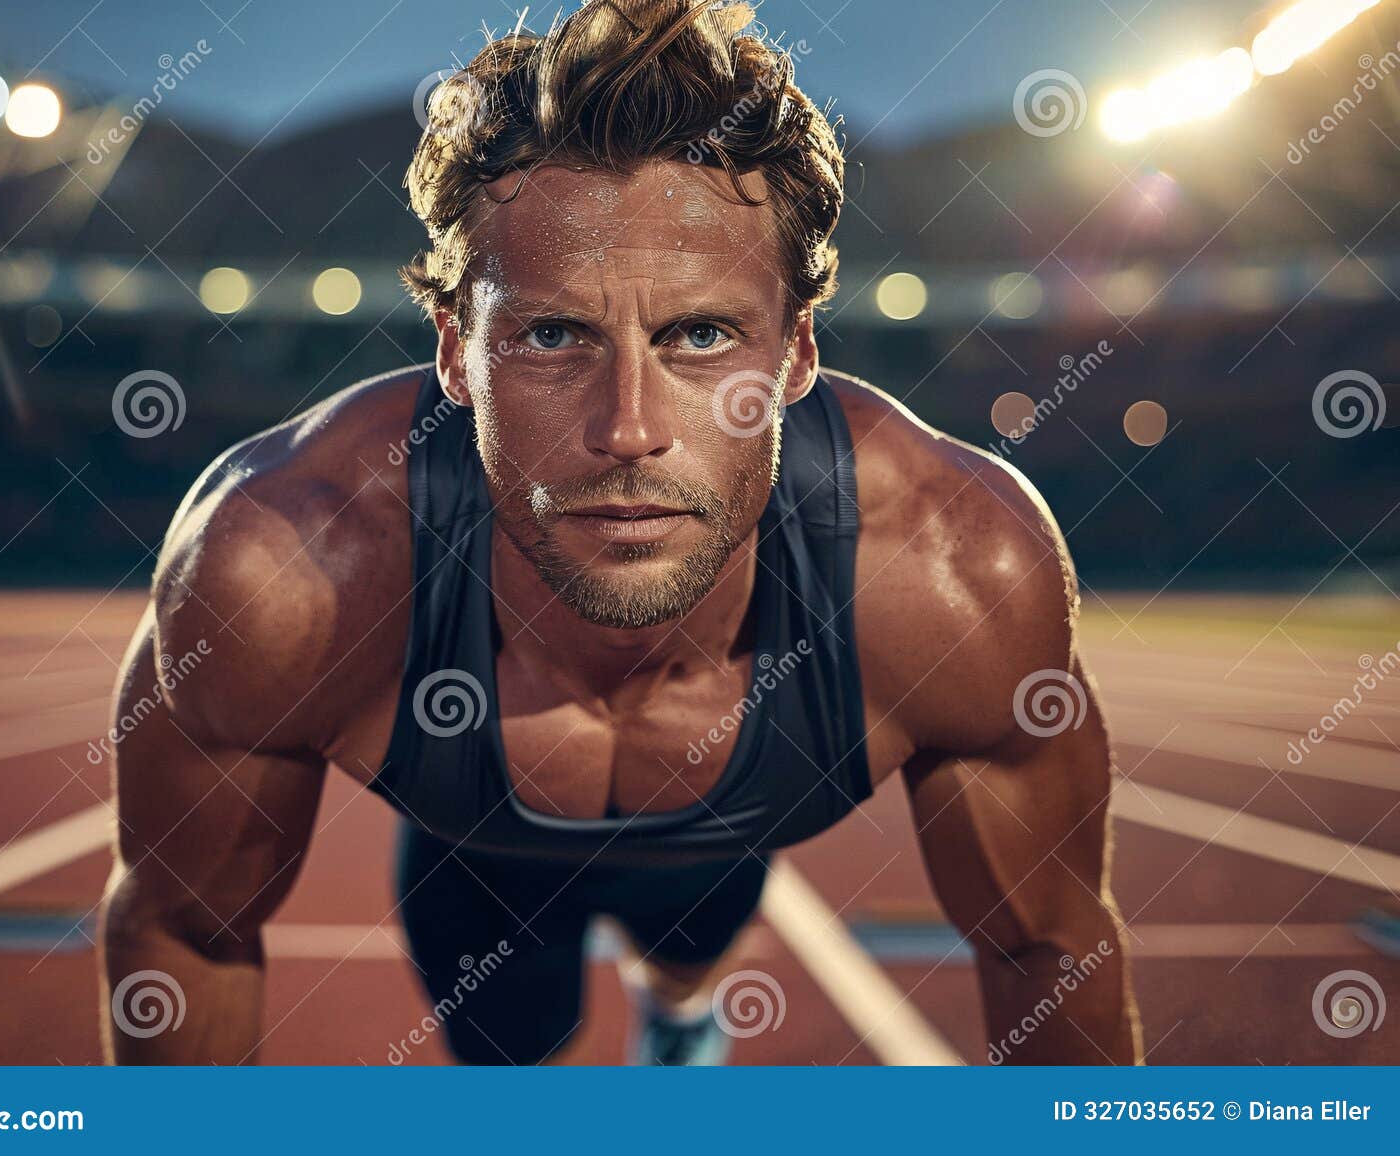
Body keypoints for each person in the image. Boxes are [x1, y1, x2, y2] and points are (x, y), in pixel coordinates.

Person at [99, 0, 1142, 1066]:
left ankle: (681, 1015)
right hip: (473, 860)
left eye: (699, 334)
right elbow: (187, 928)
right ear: (456, 355)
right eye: (553, 334)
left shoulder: (954, 566)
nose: (628, 429)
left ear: (794, 355)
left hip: (718, 853)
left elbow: (1046, 944)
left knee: (685, 973)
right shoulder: (281, 564)